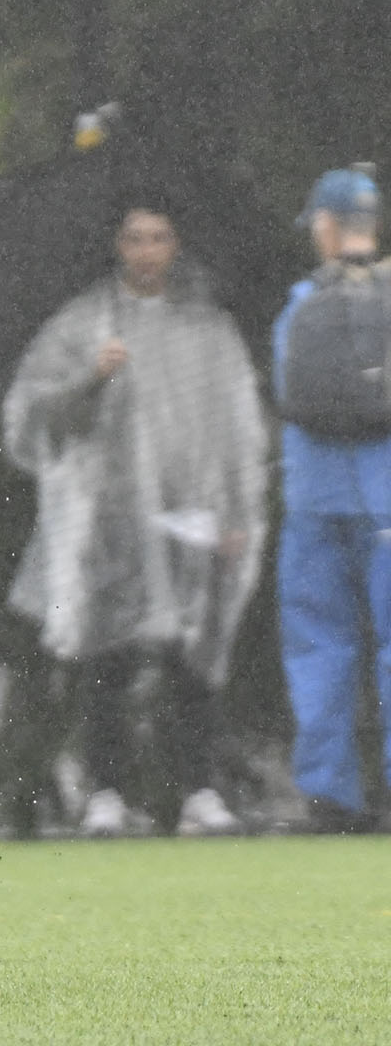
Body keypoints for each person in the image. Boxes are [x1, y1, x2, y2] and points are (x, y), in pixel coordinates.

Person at [2, 199, 268, 837]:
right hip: (111, 522)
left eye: (159, 238)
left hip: (192, 515)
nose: (147, 251)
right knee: (106, 657)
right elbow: (30, 419)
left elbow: (240, 430)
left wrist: (236, 513)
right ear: (116, 245)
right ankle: (106, 794)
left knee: (195, 654)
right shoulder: (83, 324)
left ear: (176, 245)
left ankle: (200, 791)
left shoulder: (209, 330)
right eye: (134, 238)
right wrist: (89, 379)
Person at [273, 166, 391, 834]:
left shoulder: (299, 303)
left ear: (325, 224)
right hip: (388, 499)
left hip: (315, 501)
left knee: (320, 647)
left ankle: (329, 795)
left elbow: (291, 402)